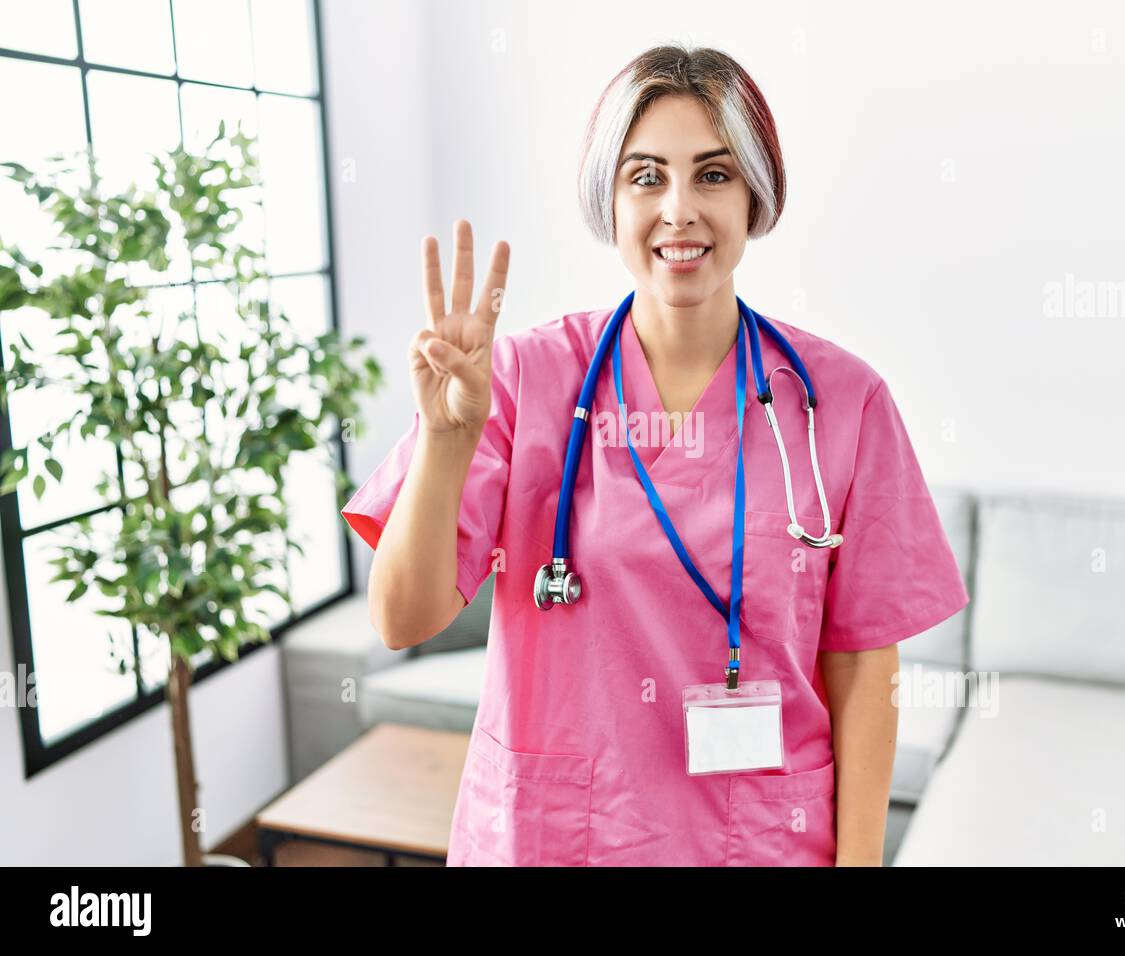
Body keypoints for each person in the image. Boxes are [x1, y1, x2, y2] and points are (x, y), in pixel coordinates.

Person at [341, 43, 969, 867]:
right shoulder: (520, 381)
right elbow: (401, 618)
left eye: (713, 175)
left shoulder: (842, 403)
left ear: (755, 195)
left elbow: (862, 674)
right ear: (611, 197)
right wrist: (449, 442)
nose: (679, 210)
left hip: (758, 843)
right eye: (646, 176)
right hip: (557, 841)